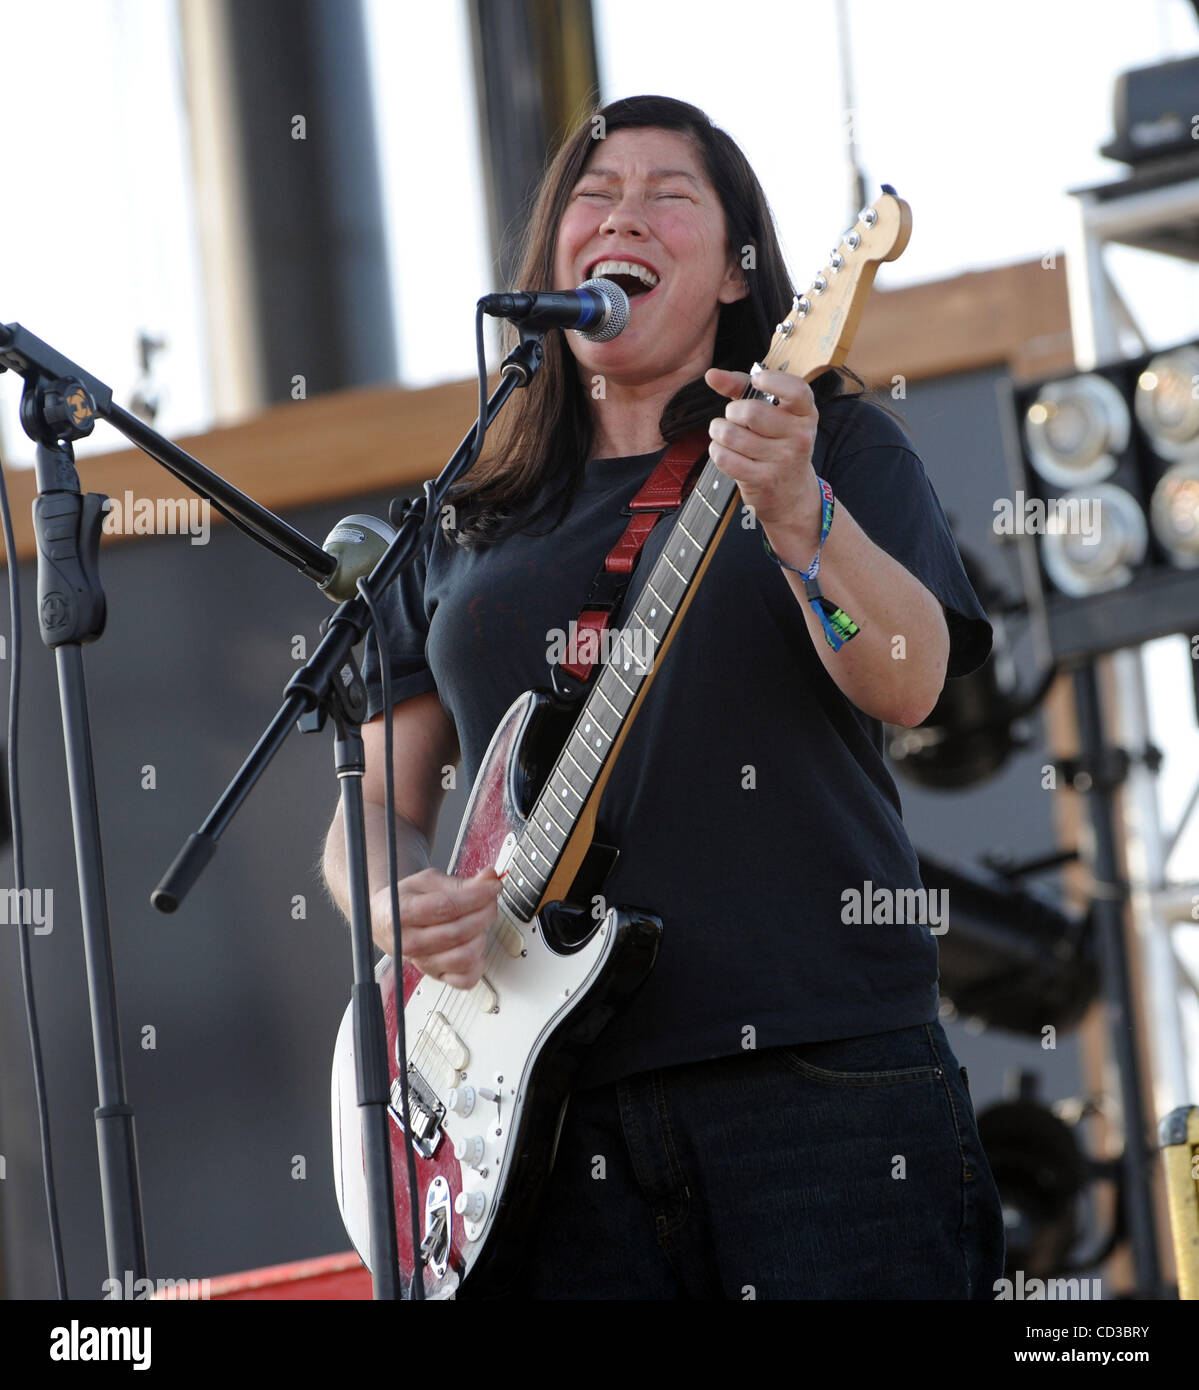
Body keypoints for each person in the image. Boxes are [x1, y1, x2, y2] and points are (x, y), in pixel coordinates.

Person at [322, 94, 1006, 1300]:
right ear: (552, 260)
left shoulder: (831, 447)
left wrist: (799, 519)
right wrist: (394, 912)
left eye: (666, 195)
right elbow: (370, 805)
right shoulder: (468, 513)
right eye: (593, 194)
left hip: (815, 1078)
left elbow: (906, 681)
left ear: (742, 277)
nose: (619, 213)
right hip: (534, 1117)